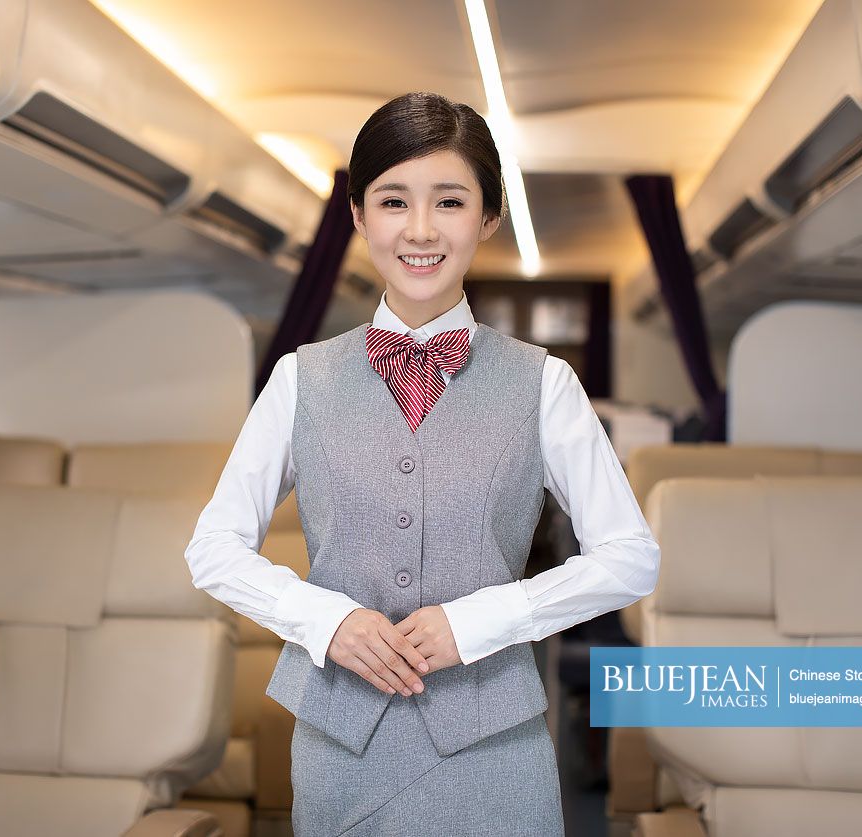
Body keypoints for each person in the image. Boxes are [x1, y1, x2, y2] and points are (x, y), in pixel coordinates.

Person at [185, 91, 660, 836]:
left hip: (494, 746)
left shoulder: (545, 382)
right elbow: (211, 548)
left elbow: (630, 558)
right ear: (357, 216)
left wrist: (485, 619)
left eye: (449, 200)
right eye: (392, 200)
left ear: (487, 218)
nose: (419, 229)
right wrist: (326, 619)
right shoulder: (297, 378)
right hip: (342, 746)